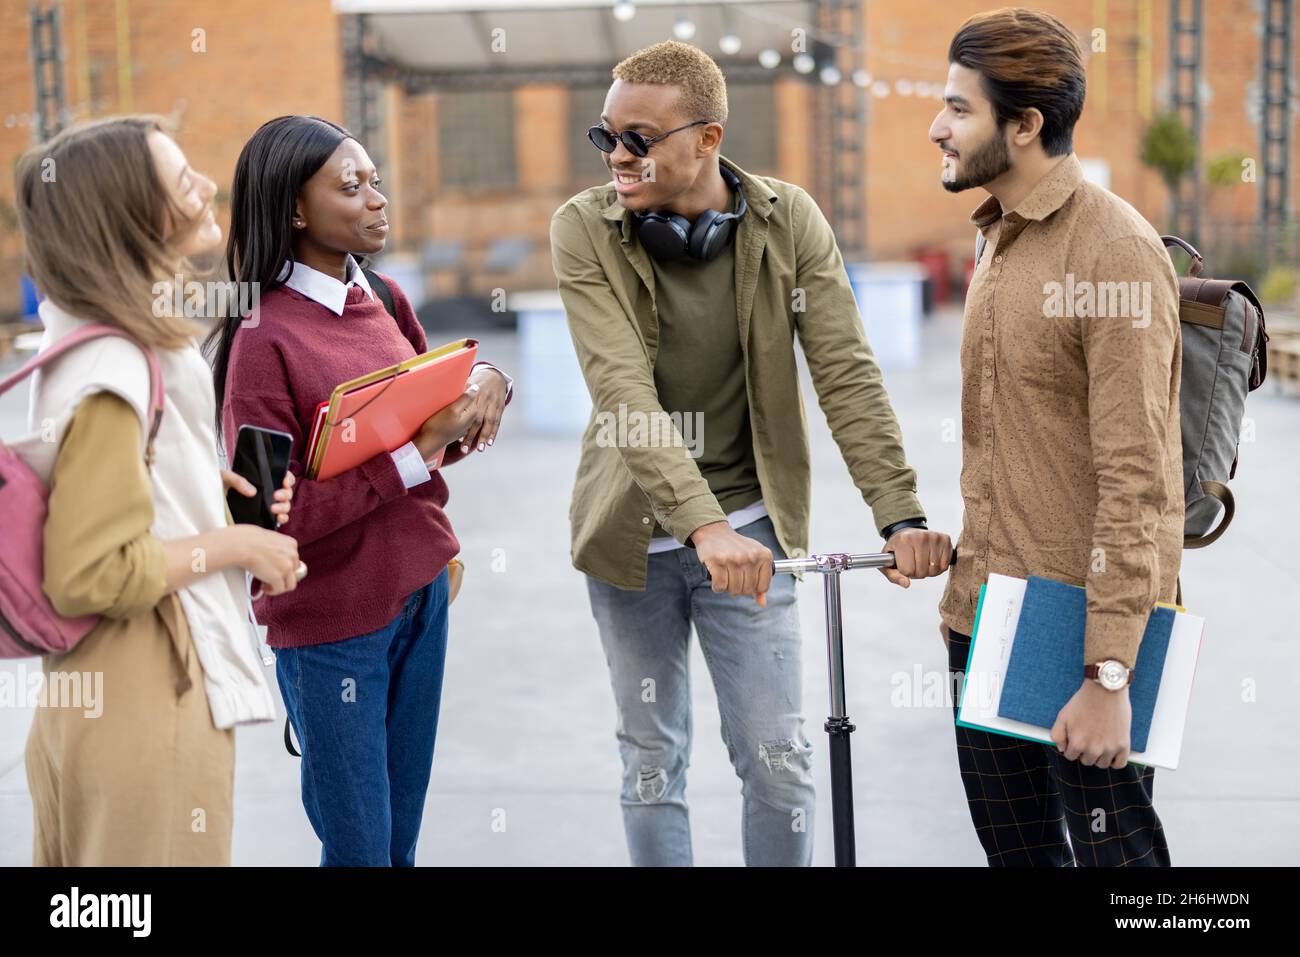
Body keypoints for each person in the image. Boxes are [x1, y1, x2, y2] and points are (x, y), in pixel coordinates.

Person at [551, 40, 952, 866]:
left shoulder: (787, 219)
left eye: (640, 138)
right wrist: (701, 526)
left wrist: (900, 510)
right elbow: (623, 392)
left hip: (753, 537)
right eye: (607, 137)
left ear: (708, 138)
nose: (617, 157)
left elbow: (846, 372)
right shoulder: (582, 229)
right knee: (652, 760)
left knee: (779, 763)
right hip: (631, 538)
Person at [207, 115, 513, 866]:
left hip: (421, 597)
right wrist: (416, 452)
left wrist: (487, 387)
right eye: (351, 186)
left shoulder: (382, 296)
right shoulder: (262, 340)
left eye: (375, 180)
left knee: (398, 843)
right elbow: (268, 523)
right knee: (362, 851)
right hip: (331, 631)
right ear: (294, 210)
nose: (378, 199)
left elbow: (439, 438)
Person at [929, 8, 1183, 866]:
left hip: (1080, 632)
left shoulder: (1113, 250)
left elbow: (1137, 477)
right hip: (983, 615)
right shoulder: (997, 237)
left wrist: (1109, 674)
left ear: (1025, 124)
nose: (939, 126)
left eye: (959, 108)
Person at [12, 115, 300, 866]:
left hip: (101, 691)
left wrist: (202, 487)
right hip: (150, 689)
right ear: (132, 220)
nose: (208, 185)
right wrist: (238, 542)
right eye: (182, 181)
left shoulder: (89, 338)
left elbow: (107, 487)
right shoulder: (116, 365)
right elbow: (91, 571)